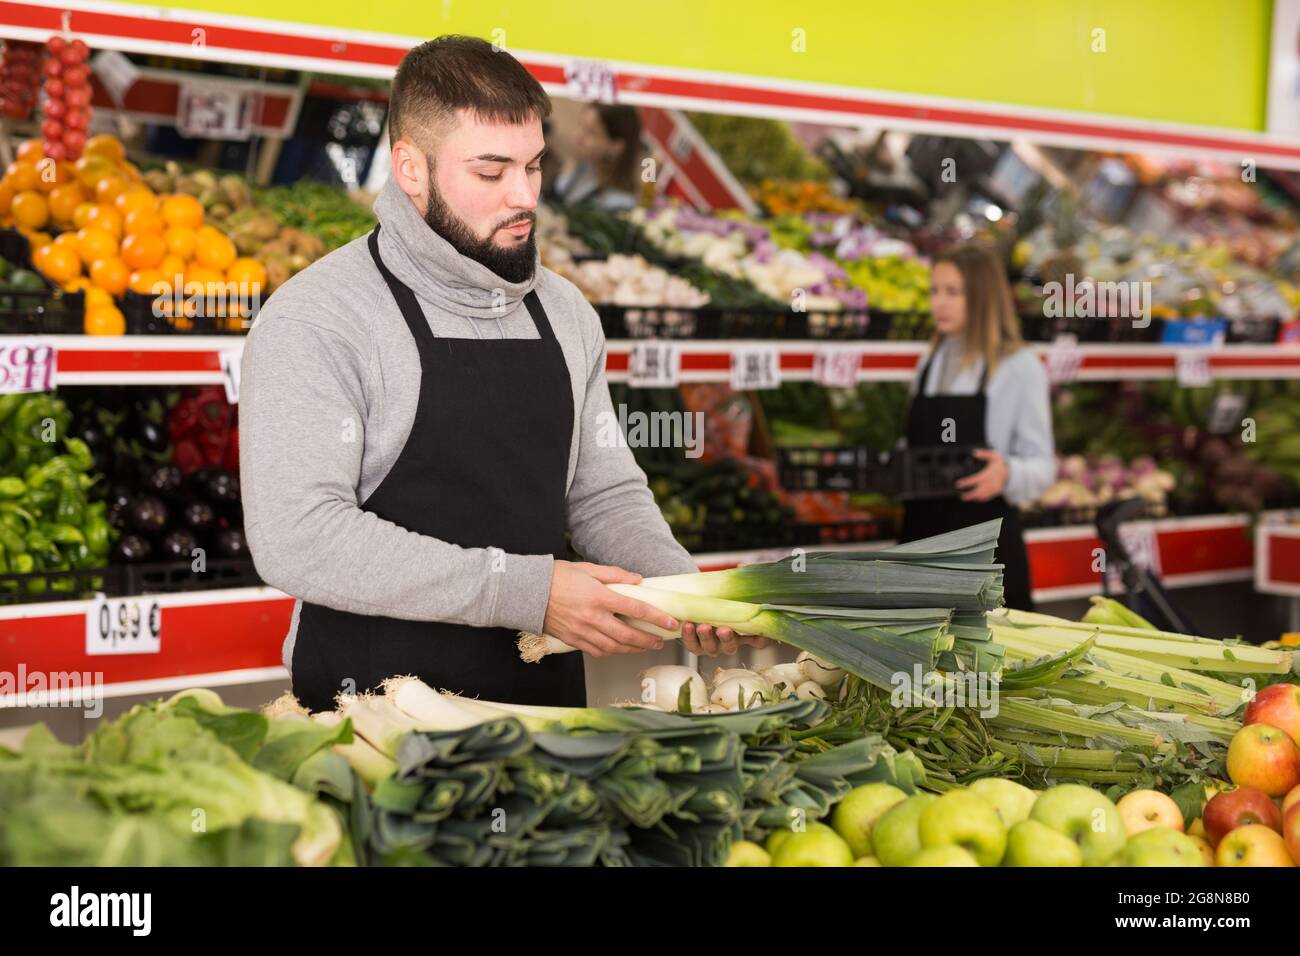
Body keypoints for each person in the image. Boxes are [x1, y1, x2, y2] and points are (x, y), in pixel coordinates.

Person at [240, 36, 764, 713]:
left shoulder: (567, 314)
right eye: (490, 173)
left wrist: (679, 588)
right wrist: (530, 594)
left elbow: (602, 493)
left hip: (546, 722)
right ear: (411, 168)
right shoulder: (320, 318)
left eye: (534, 166)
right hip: (368, 730)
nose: (523, 197)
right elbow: (299, 538)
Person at [899, 243, 1054, 610]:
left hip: (984, 549)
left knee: (990, 661)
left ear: (983, 296)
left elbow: (1043, 466)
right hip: (920, 541)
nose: (939, 302)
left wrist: (1007, 474)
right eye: (935, 291)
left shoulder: (1019, 366)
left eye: (953, 292)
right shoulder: (930, 360)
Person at [548, 104, 642, 210]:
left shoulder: (619, 202)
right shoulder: (581, 167)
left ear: (616, 146)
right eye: (581, 127)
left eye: (590, 133)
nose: (578, 137)